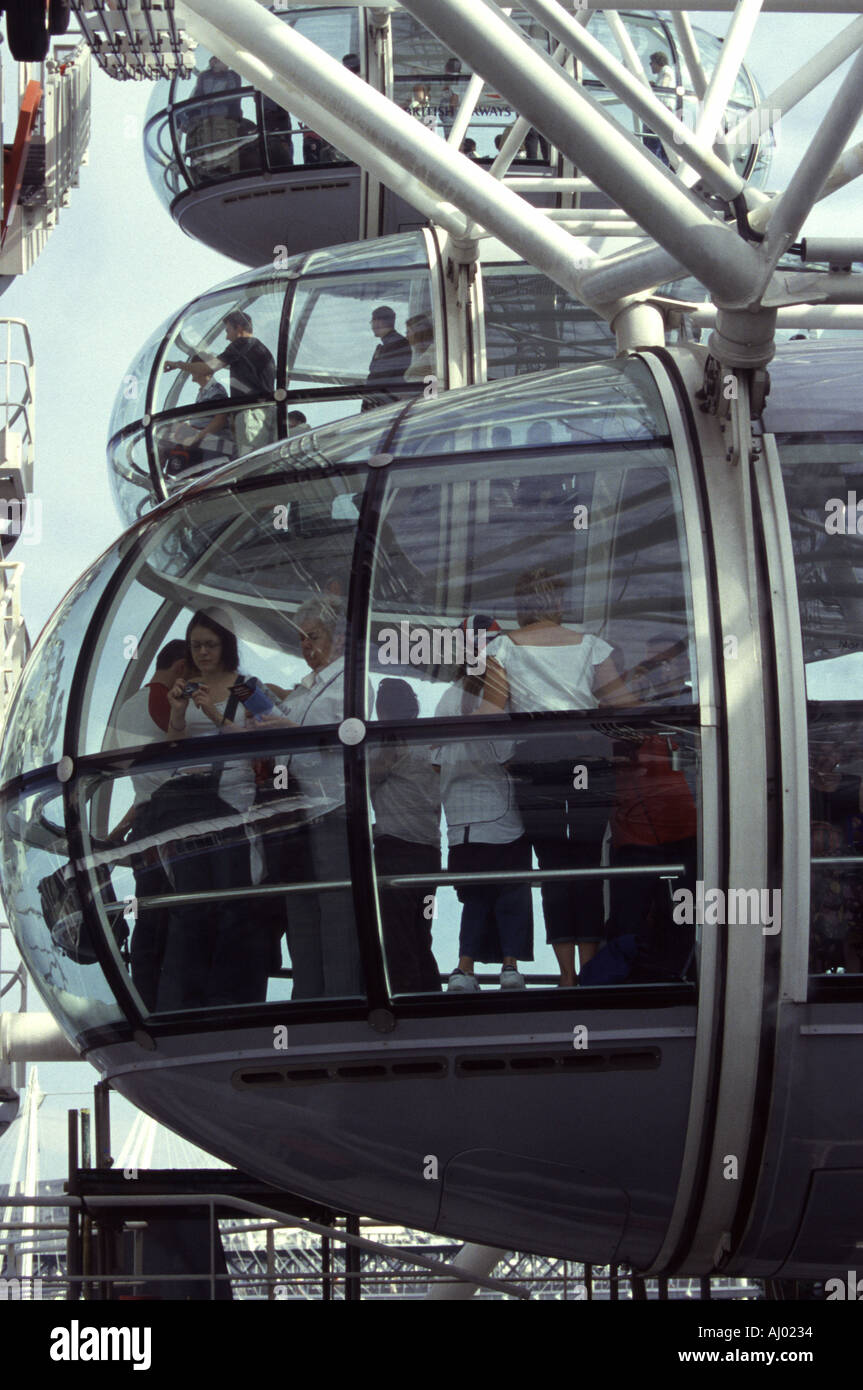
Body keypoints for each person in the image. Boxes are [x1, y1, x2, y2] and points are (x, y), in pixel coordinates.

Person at [479, 568, 635, 985]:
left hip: (536, 762)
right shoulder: (591, 646)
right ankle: (589, 967)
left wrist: (505, 757)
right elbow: (622, 704)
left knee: (551, 865)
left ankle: (566, 974)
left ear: (521, 606)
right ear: (561, 603)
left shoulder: (503, 647)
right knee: (585, 860)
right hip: (589, 758)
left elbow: (489, 715)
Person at [152, 608, 273, 1010]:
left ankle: (231, 996)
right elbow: (173, 746)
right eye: (196, 645)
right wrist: (179, 712)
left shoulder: (244, 687)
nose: (202, 652)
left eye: (210, 644)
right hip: (188, 804)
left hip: (232, 801)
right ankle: (188, 999)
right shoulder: (188, 687)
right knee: (192, 904)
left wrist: (213, 713)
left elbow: (271, 735)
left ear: (226, 646)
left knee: (232, 898)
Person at [260, 597, 363, 999]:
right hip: (294, 813)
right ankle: (306, 999)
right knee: (300, 910)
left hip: (333, 809)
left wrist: (292, 728)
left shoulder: (350, 682)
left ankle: (338, 1000)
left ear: (338, 638)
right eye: (301, 639)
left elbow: (352, 741)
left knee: (336, 911)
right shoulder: (303, 690)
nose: (306, 646)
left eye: (313, 637)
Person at [433, 619, 533, 992]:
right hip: (500, 814)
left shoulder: (448, 696)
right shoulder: (499, 693)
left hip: (460, 821)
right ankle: (510, 968)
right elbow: (505, 754)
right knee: (511, 893)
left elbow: (434, 760)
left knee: (474, 898)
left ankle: (463, 970)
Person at [109, 640, 190, 1010]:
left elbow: (136, 776)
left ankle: (144, 1002)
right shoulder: (162, 702)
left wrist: (118, 830)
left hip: (143, 825)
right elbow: (179, 758)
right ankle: (173, 1006)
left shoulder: (126, 707)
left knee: (147, 918)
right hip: (171, 822)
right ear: (180, 669)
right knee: (179, 919)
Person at [370, 679, 442, 993]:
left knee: (396, 935)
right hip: (429, 851)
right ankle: (430, 1003)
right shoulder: (428, 742)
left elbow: (365, 780)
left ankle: (408, 1001)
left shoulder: (390, 741)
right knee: (419, 933)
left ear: (383, 708)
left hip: (395, 848)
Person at [164, 311, 275, 456]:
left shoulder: (242, 343)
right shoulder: (260, 349)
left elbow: (207, 368)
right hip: (264, 412)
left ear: (239, 328)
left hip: (252, 413)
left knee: (251, 461)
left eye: (228, 330)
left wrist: (178, 364)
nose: (227, 337)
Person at [160, 355, 233, 481]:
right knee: (164, 440)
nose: (191, 375)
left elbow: (220, 419)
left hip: (214, 442)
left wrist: (197, 437)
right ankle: (160, 476)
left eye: (193, 369)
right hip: (203, 438)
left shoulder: (215, 390)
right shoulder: (204, 392)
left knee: (210, 478)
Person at [178, 56, 243, 181]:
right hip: (205, 117)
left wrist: (216, 101)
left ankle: (223, 165)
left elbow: (234, 96)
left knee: (221, 140)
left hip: (223, 117)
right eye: (221, 62)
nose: (226, 65)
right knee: (206, 137)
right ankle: (205, 166)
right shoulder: (204, 77)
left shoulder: (232, 76)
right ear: (214, 63)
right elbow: (199, 94)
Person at [361, 305, 411, 412]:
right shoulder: (394, 343)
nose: (372, 326)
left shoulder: (395, 345)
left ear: (378, 322)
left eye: (372, 322)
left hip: (386, 406)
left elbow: (379, 379)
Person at [643, 51, 674, 167]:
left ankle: (656, 167)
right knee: (661, 145)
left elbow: (664, 86)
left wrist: (656, 87)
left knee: (654, 143)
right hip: (664, 112)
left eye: (651, 63)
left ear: (657, 62)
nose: (650, 65)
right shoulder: (663, 74)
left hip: (661, 112)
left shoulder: (666, 71)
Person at [403, 314, 436, 386]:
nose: (406, 336)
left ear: (418, 332)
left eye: (408, 331)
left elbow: (437, 380)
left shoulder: (433, 352)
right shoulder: (419, 353)